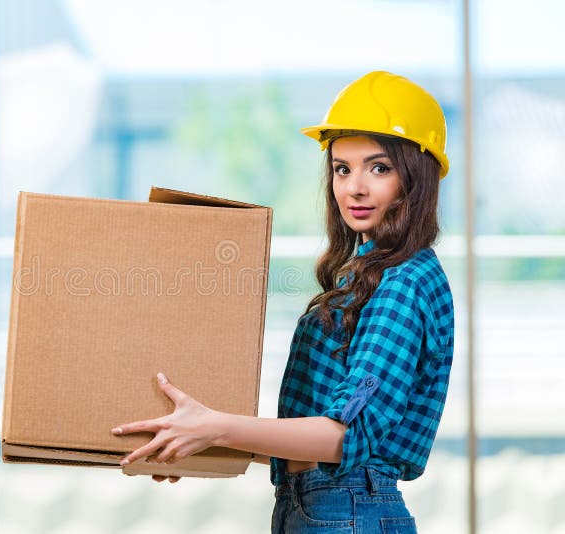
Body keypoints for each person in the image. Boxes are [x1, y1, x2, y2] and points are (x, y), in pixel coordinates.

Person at [110, 71, 455, 533]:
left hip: (348, 510)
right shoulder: (366, 276)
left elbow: (345, 436)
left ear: (417, 175)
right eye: (342, 168)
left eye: (379, 168)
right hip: (319, 509)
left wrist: (217, 427)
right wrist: (197, 441)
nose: (354, 187)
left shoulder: (404, 282)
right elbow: (314, 436)